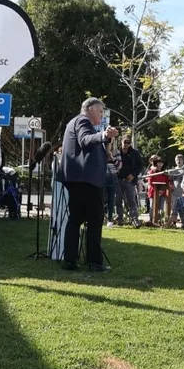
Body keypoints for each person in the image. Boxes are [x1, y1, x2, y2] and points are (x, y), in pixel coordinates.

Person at [58, 97, 118, 272]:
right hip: (87, 181)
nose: (102, 115)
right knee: (94, 220)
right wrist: (103, 135)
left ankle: (70, 260)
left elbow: (88, 143)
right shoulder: (82, 121)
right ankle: (94, 262)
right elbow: (85, 140)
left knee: (75, 219)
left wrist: (106, 140)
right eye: (100, 111)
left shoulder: (75, 122)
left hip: (79, 179)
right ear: (90, 109)